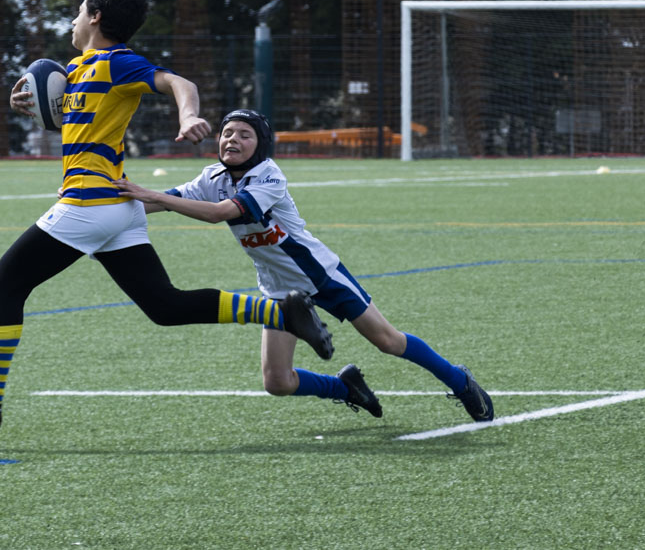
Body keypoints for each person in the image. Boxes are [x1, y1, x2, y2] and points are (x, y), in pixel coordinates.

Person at [0, 0, 334, 435]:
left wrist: (189, 115)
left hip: (91, 203)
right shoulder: (76, 71)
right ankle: (281, 313)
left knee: (3, 285)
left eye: (78, 13)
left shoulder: (118, 63)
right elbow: (76, 122)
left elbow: (180, 82)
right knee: (164, 306)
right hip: (118, 205)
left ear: (95, 17)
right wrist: (35, 109)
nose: (73, 21)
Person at [115, 109, 495, 423]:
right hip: (277, 289)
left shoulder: (268, 176)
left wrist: (146, 194)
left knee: (388, 341)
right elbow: (161, 202)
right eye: (227, 133)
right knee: (277, 382)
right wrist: (105, 202)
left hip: (321, 276)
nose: (231, 139)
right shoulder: (211, 178)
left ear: (261, 145)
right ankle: (346, 388)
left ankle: (459, 381)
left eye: (244, 134)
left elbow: (219, 214)